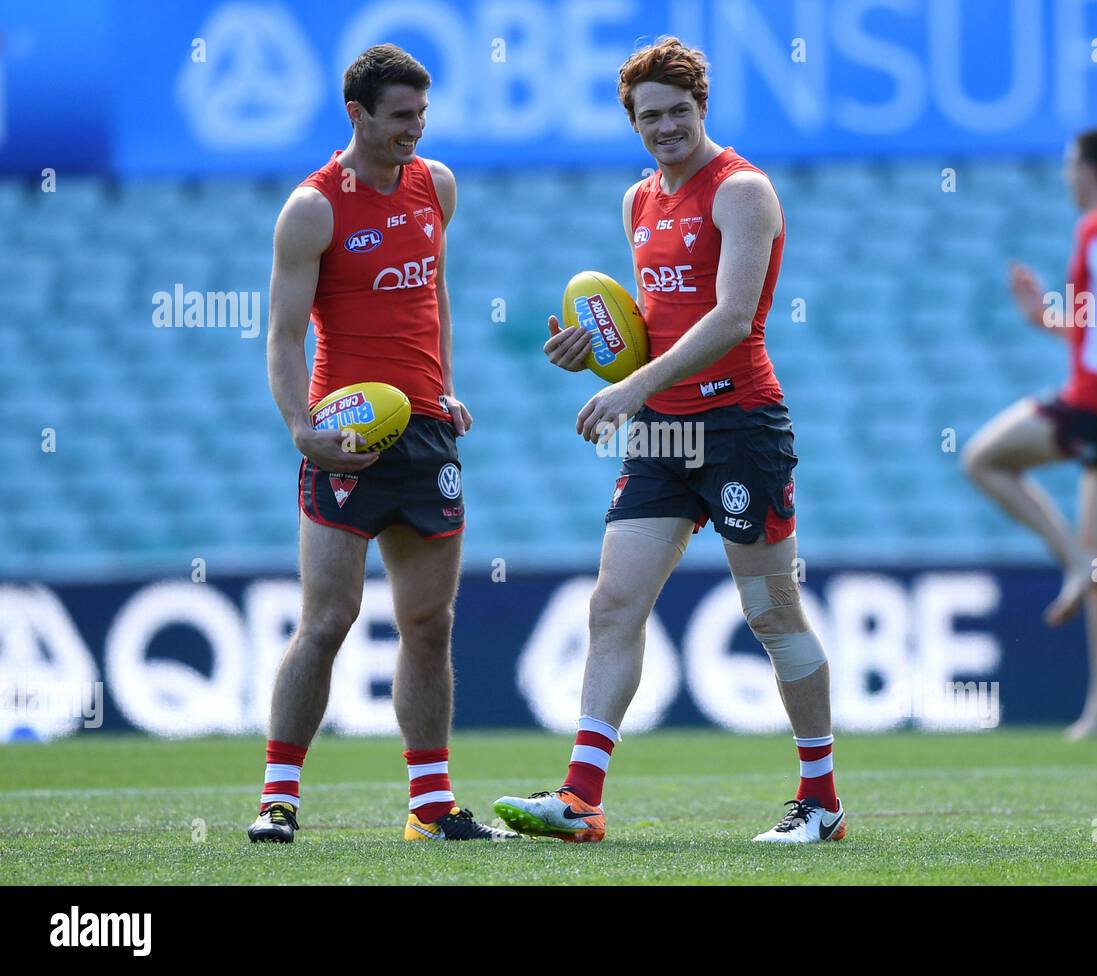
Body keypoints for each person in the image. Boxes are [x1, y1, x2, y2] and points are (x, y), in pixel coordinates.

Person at [493, 38, 844, 844]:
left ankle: (821, 800)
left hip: (738, 425)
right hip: (660, 432)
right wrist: (596, 353)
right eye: (648, 117)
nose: (664, 128)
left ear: (702, 107)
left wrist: (632, 385)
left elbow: (732, 320)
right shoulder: (637, 201)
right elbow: (655, 327)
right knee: (613, 602)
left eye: (677, 112)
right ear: (632, 121)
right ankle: (580, 801)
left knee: (769, 611)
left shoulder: (743, 191)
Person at [249, 44, 517, 842]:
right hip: (346, 432)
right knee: (327, 621)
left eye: (422, 116)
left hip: (427, 432)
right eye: (401, 117)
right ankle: (278, 797)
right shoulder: (313, 209)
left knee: (429, 625)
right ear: (357, 115)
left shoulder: (437, 187)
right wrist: (304, 429)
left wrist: (447, 386)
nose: (416, 130)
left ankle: (431, 807)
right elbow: (285, 335)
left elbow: (434, 295)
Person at [962, 128, 1097, 740]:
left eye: (1072, 164)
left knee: (983, 459)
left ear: (1092, 170)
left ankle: (1071, 560)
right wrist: (1043, 317)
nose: (1066, 175)